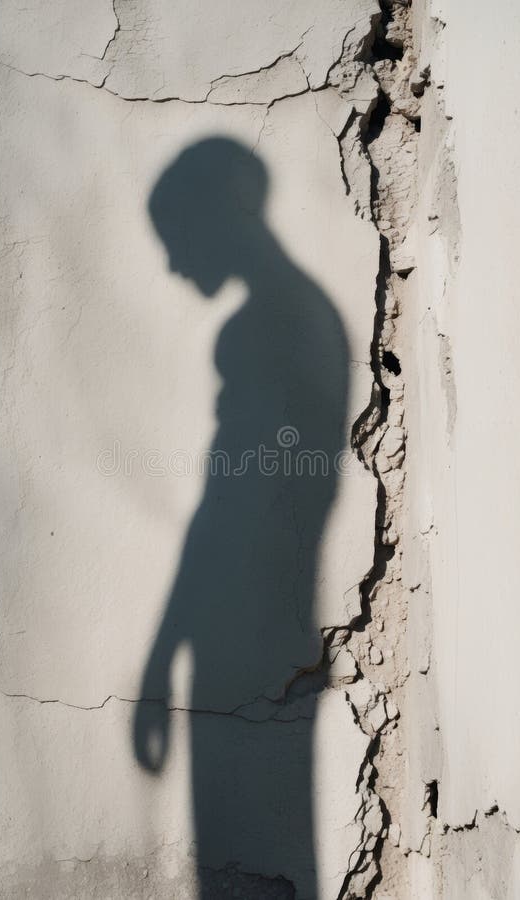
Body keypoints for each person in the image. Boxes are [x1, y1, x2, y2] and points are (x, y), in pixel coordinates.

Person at [134, 137, 350, 899]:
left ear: (224, 213)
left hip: (248, 639)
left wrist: (164, 653)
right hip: (269, 631)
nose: (172, 263)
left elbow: (227, 504)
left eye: (177, 239)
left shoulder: (265, 326)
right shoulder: (304, 316)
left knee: (236, 867)